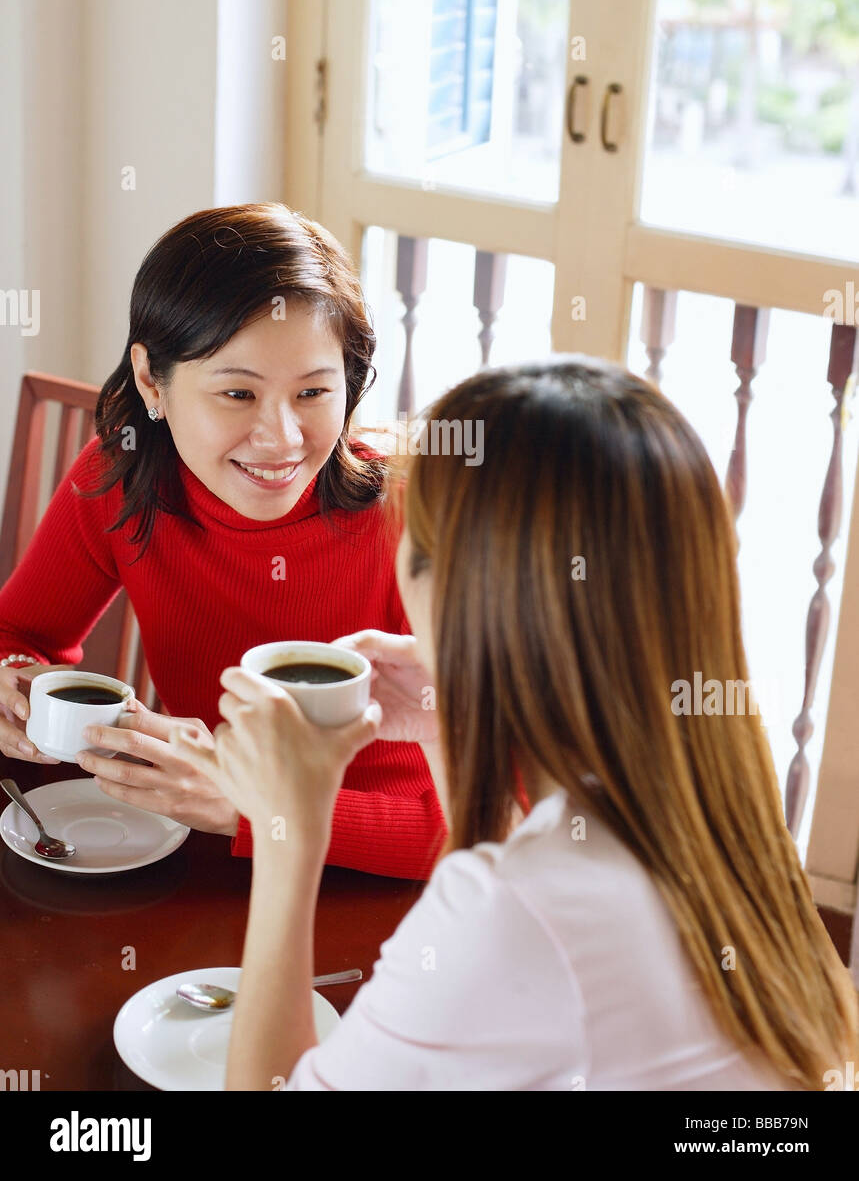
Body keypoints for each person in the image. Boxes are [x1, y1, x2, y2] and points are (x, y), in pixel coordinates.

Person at [176, 357, 858, 1090]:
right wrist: (453, 735)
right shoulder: (729, 836)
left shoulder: (514, 911)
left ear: (457, 587)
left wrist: (287, 834)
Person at [0, 203, 445, 880]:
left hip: (390, 883)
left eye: (313, 393)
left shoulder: (418, 515)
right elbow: (19, 632)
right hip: (201, 851)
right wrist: (9, 683)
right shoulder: (118, 479)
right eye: (238, 394)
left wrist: (246, 807)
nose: (281, 438)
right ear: (152, 380)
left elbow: (494, 829)